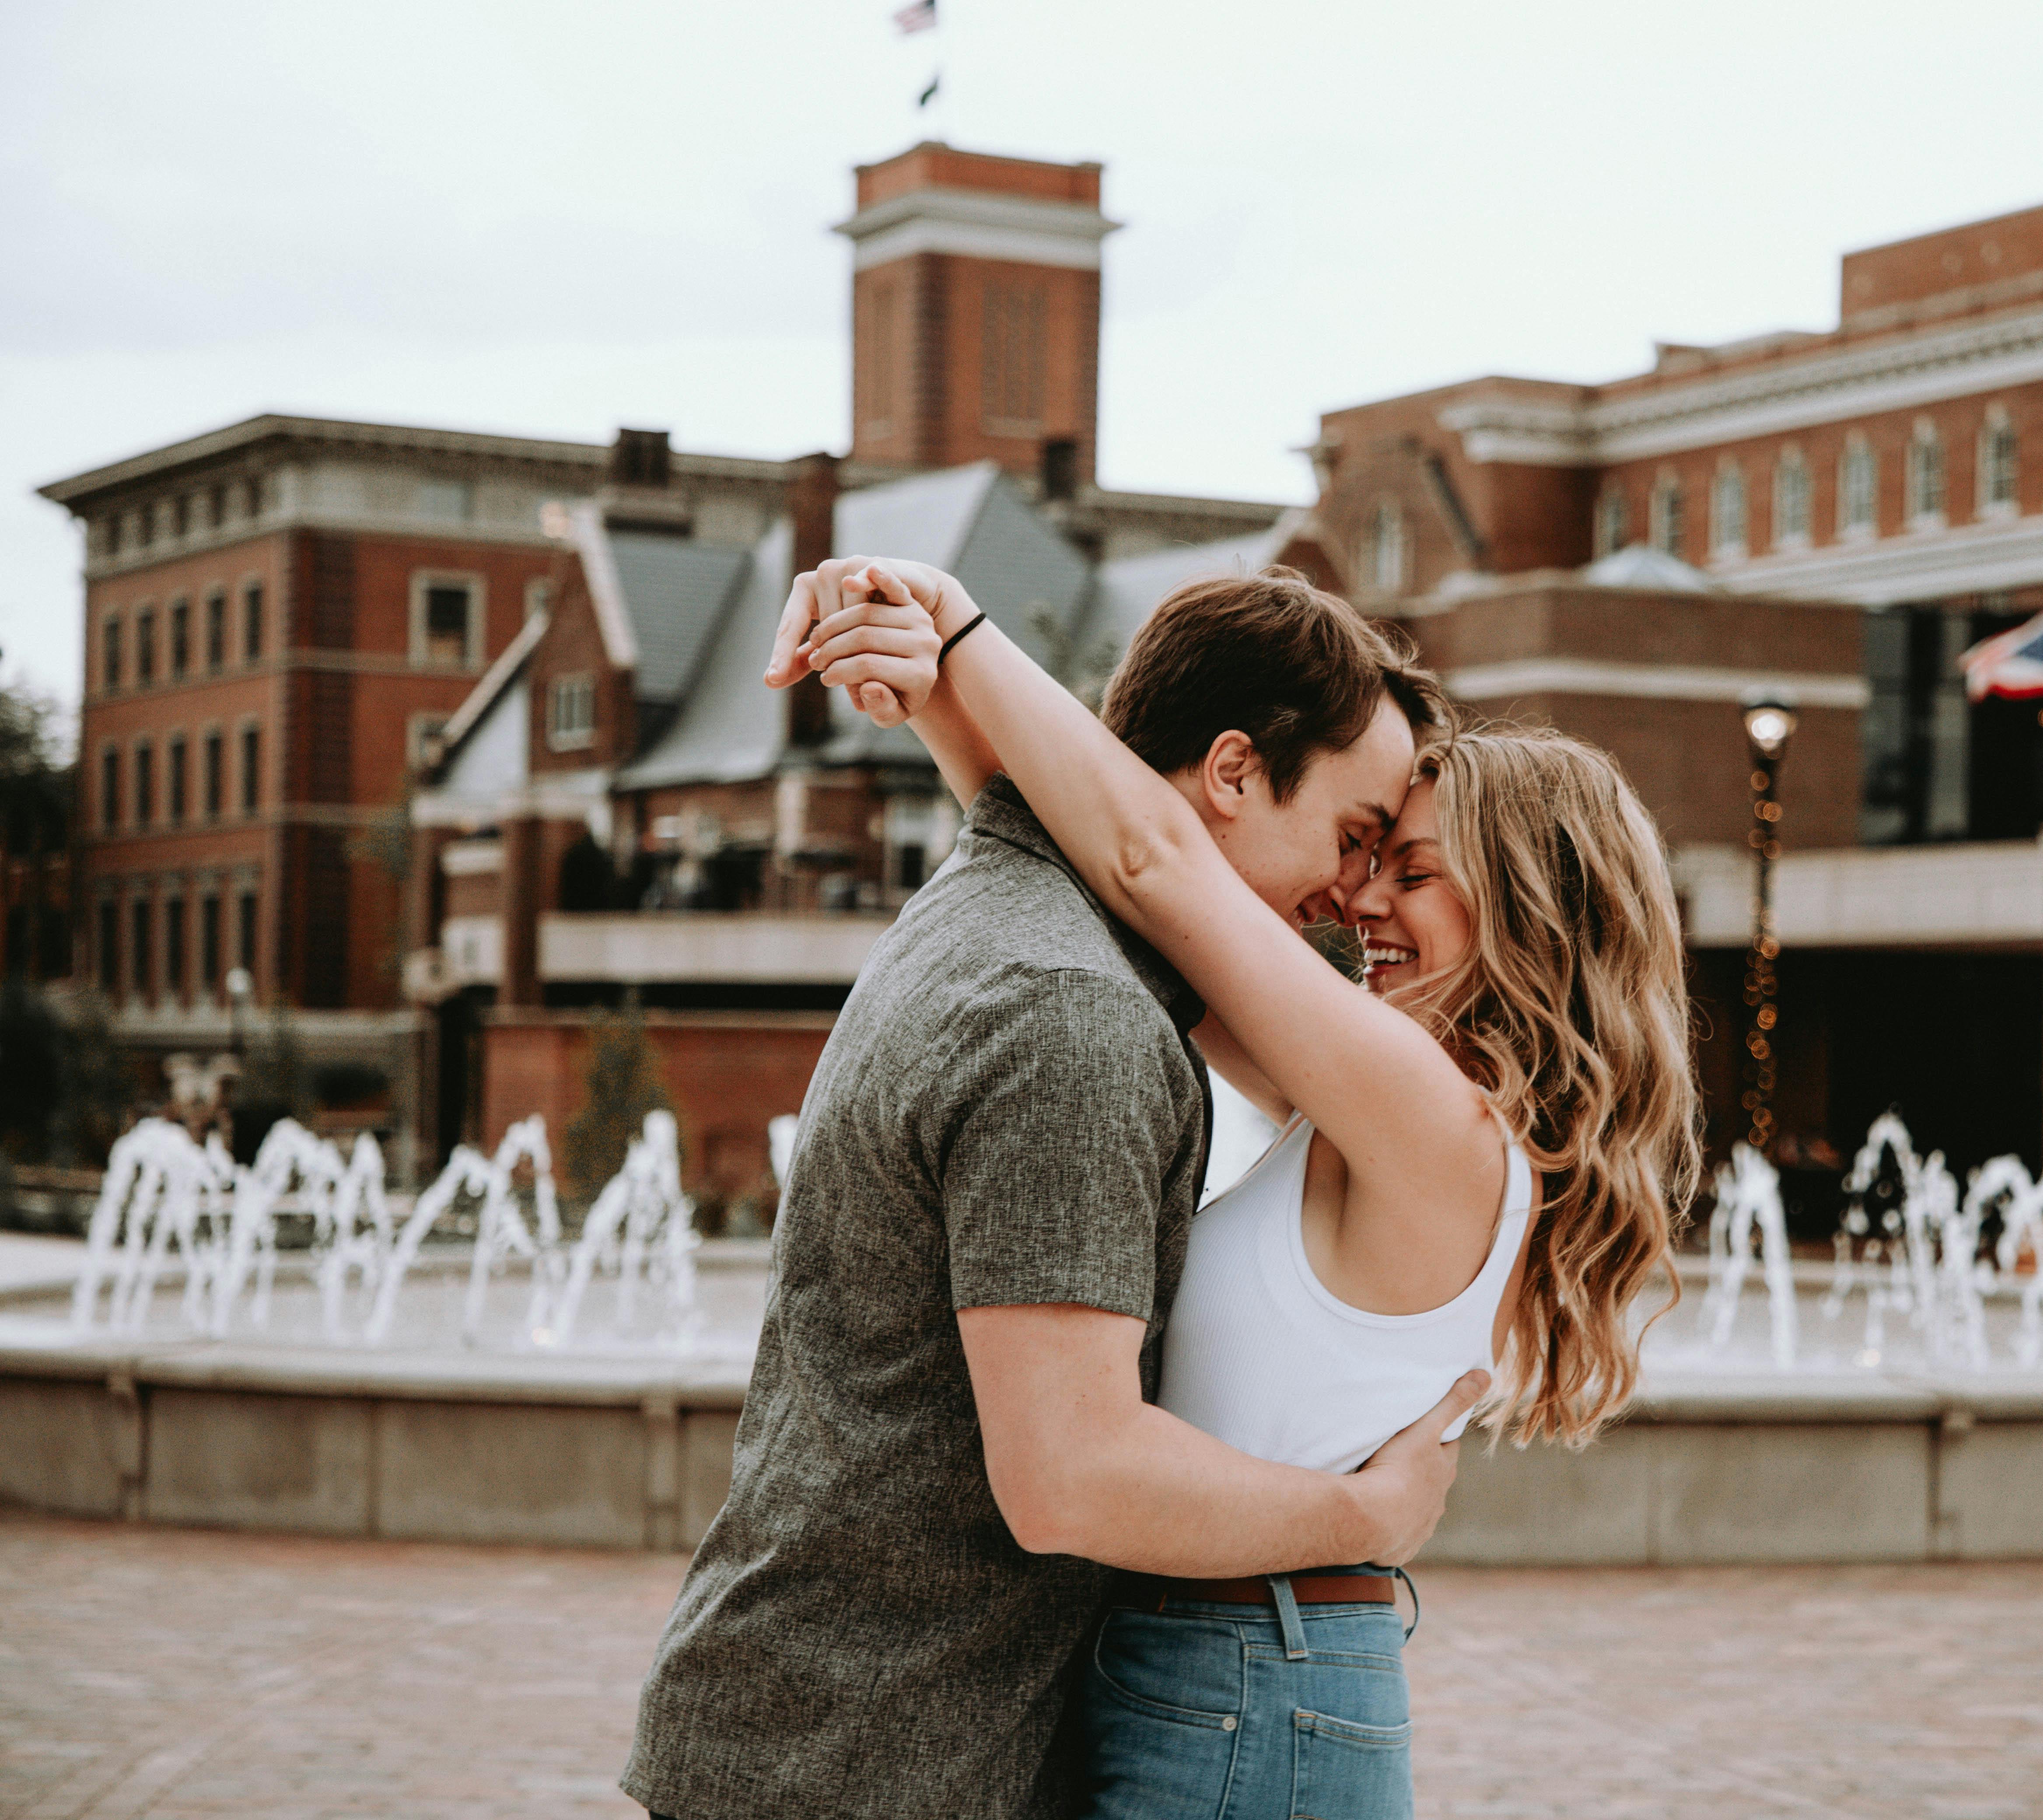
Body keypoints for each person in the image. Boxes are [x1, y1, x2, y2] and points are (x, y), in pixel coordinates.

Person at [792, 556, 1701, 1819]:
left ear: (1530, 910)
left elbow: (1161, 868)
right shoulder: (1386, 1097)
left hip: (1257, 1669)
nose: (1362, 897)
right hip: (1221, 1659)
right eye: (1371, 852)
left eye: (1415, 871)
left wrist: (961, 630)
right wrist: (945, 702)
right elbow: (1112, 894)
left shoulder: (1438, 1122)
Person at [621, 567, 1487, 1820]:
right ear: (1235, 774)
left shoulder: (1000, 915)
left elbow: (1113, 846)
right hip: (882, 1760)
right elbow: (1073, 1475)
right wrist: (1366, 1513)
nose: (1350, 899)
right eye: (1354, 837)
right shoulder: (1075, 1017)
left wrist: (946, 685)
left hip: (821, 1728)